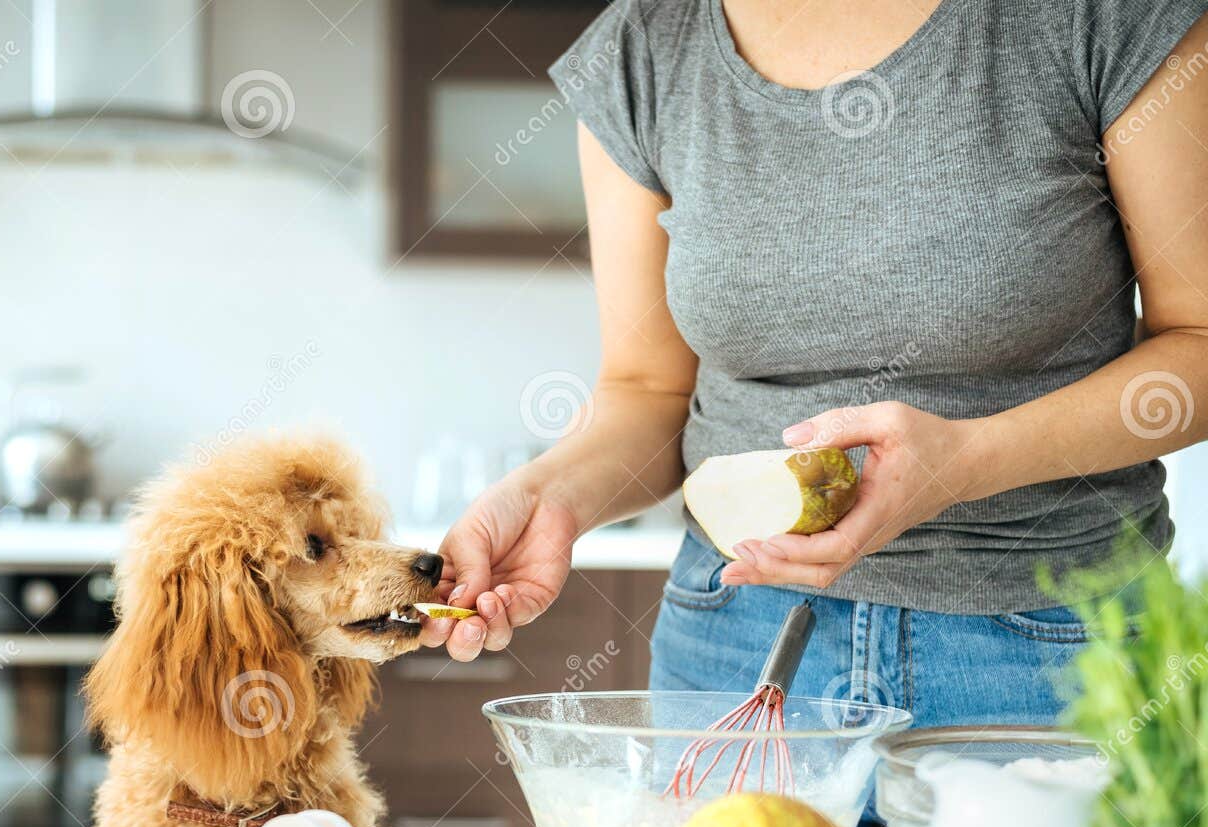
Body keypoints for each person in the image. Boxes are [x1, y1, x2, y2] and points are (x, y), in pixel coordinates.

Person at [424, 0, 1208, 729]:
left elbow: (1198, 341)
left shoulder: (1101, 18)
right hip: (736, 638)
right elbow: (647, 387)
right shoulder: (644, 47)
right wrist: (548, 499)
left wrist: (965, 463)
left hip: (1052, 644)